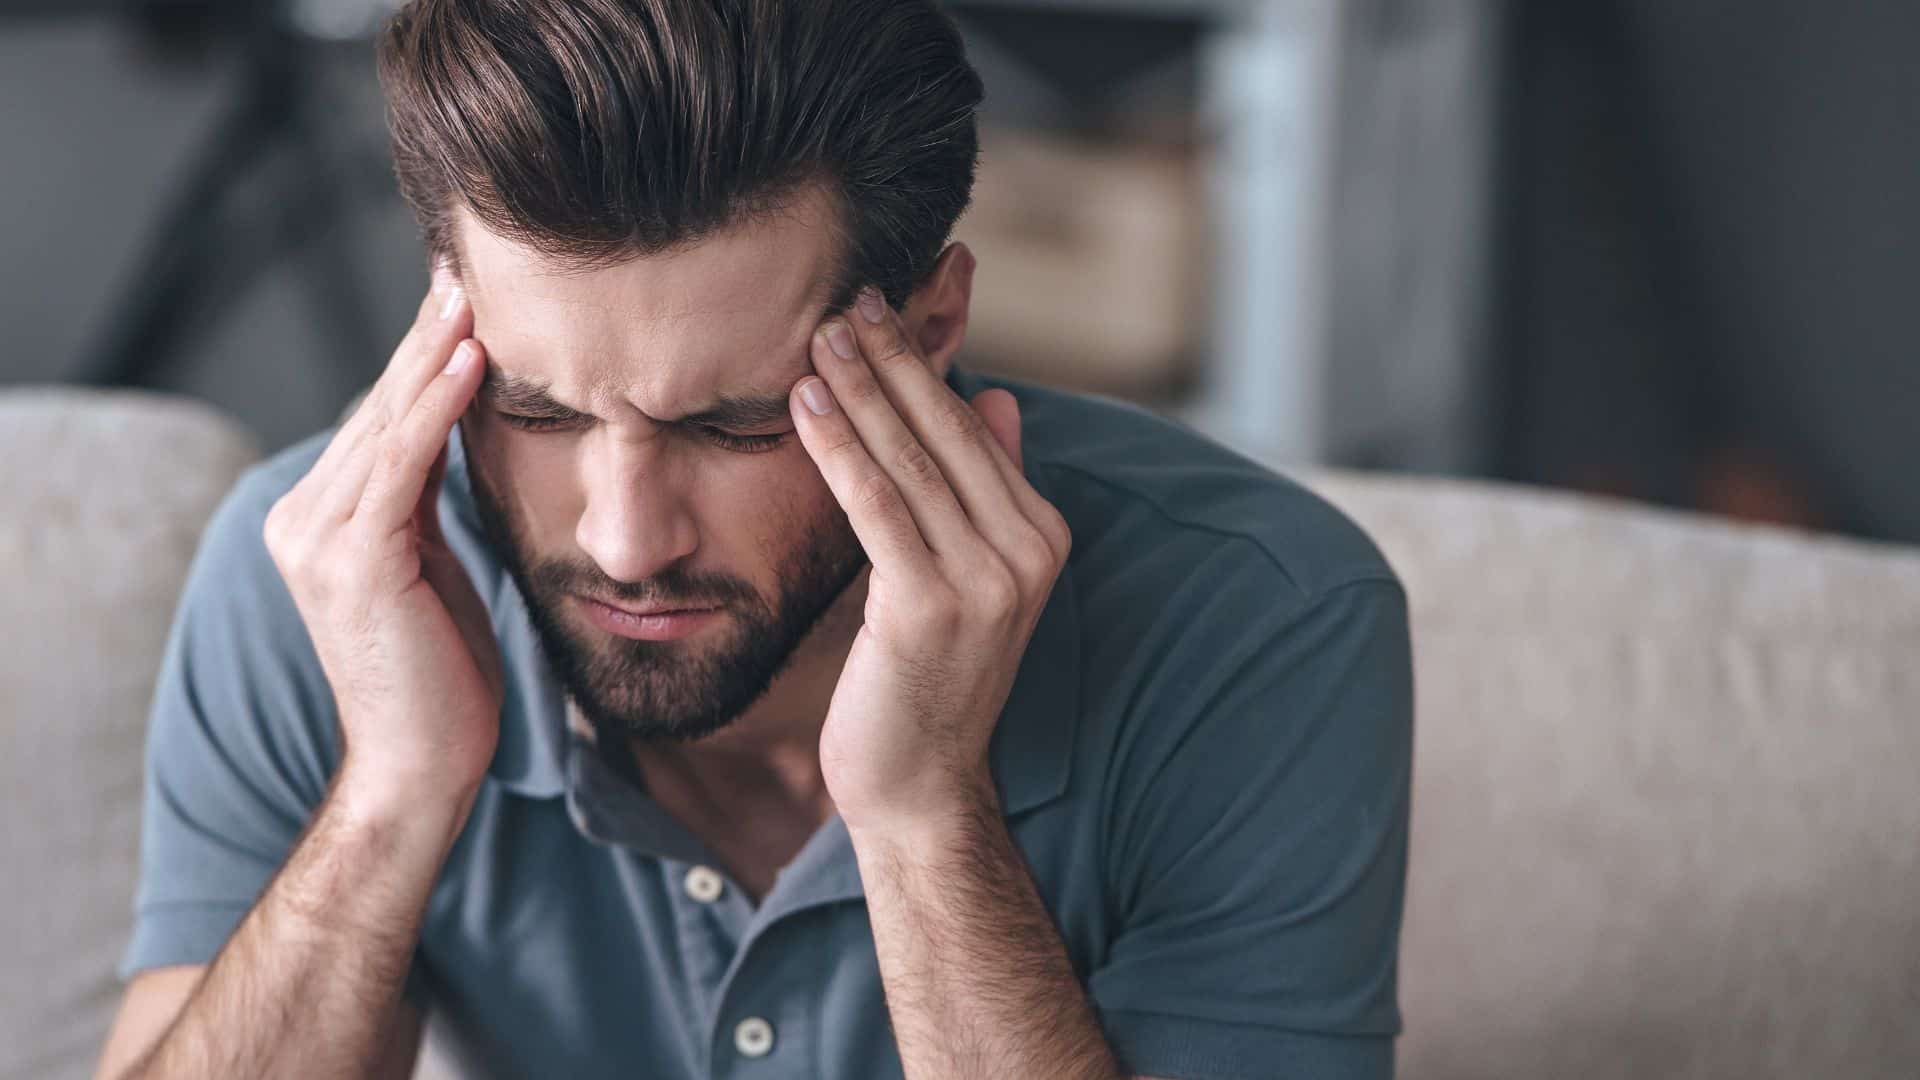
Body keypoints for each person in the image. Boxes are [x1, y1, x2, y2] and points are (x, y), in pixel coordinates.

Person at [96, 1, 1412, 1077]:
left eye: (730, 426)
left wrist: (921, 817)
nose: (624, 542)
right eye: (535, 408)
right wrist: (388, 799)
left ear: (932, 328)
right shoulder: (333, 581)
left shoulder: (1261, 622)